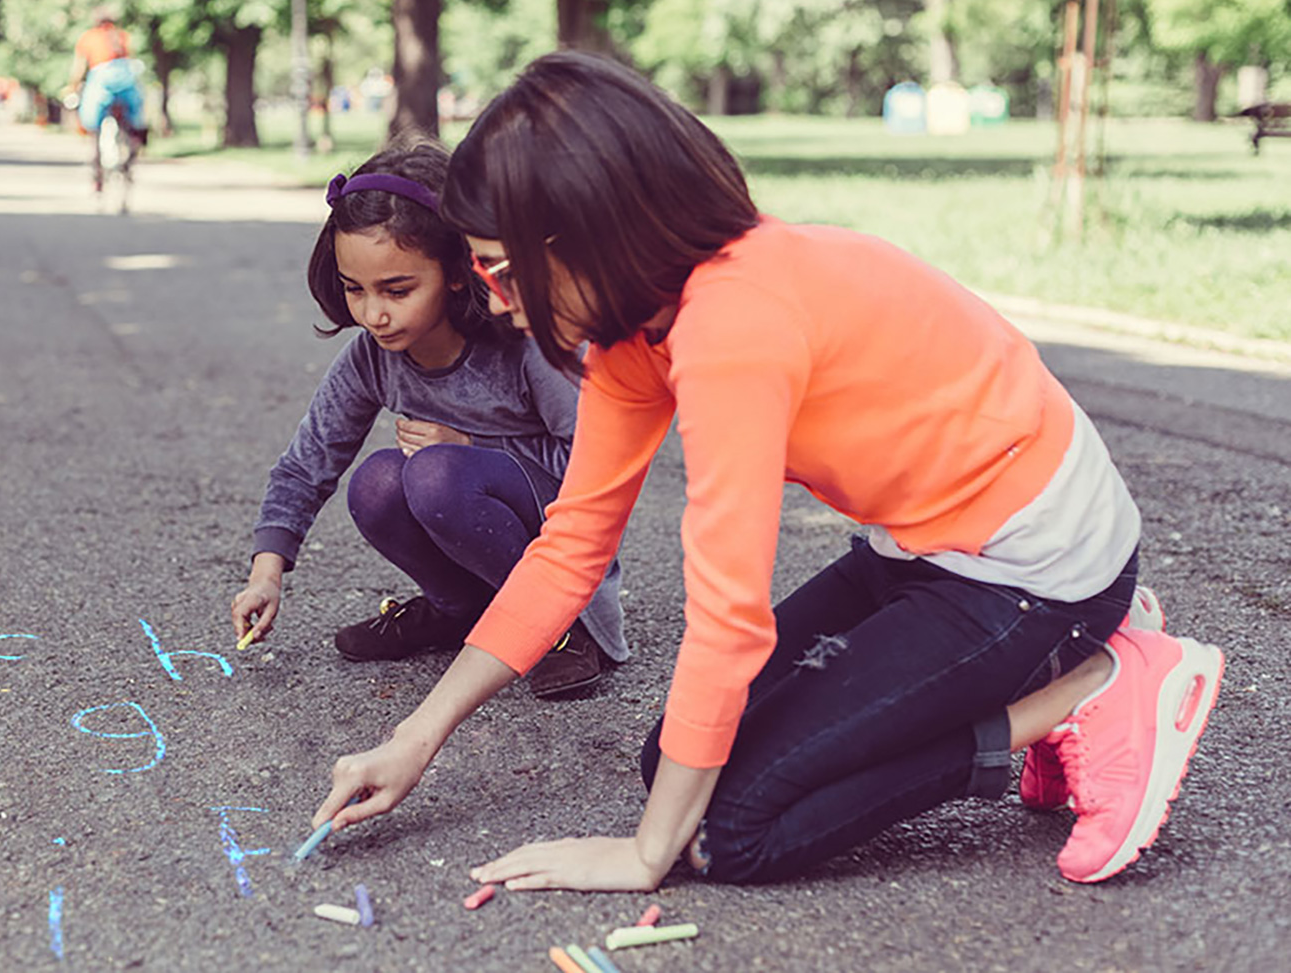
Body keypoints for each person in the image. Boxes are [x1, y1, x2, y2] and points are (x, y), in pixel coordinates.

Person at [311, 52, 1224, 890]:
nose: (497, 301)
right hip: (921, 546)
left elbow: (726, 612)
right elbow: (571, 545)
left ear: (585, 233)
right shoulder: (639, 328)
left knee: (726, 834)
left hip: (1031, 568)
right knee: (669, 763)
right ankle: (1038, 675)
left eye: (502, 269)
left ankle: (1086, 690)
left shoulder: (731, 328)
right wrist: (414, 737)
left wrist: (642, 854)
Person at [229, 137, 627, 699]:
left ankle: (560, 630)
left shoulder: (525, 343)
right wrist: (266, 574)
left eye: (397, 289)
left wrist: (472, 444)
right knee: (376, 482)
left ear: (459, 272)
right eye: (355, 290)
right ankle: (460, 610)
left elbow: (599, 468)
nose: (373, 313)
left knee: (436, 473)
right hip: (477, 519)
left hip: (563, 556)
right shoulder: (373, 355)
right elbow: (307, 463)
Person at [67, 6, 147, 193]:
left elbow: (79, 68)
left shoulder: (88, 37)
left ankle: (97, 171)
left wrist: (73, 86)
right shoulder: (122, 36)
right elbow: (131, 60)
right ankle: (134, 148)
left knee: (92, 123)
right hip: (126, 79)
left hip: (102, 81)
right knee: (136, 116)